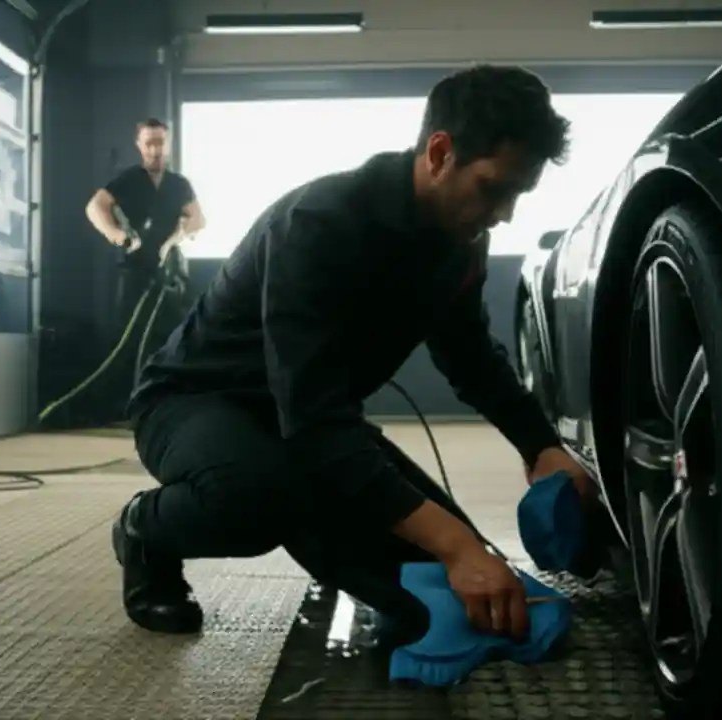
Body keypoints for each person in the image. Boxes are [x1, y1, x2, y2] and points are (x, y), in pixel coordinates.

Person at [114, 65, 599, 643]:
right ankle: (143, 529)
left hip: (305, 421)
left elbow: (471, 359)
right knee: (256, 497)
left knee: (447, 598)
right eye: (494, 189)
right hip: (195, 404)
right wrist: (458, 544)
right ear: (440, 152)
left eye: (519, 194)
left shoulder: (460, 241)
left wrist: (540, 446)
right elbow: (316, 425)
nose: (503, 214)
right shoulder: (319, 224)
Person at [85, 118, 206, 408]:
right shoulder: (128, 180)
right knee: (128, 336)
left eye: (160, 143)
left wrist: (175, 238)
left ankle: (169, 401)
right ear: (139, 146)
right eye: (149, 143)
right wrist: (117, 236)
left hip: (169, 272)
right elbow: (95, 207)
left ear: (168, 145)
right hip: (134, 268)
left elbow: (198, 220)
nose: (155, 150)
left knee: (173, 333)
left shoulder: (179, 185)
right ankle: (129, 404)